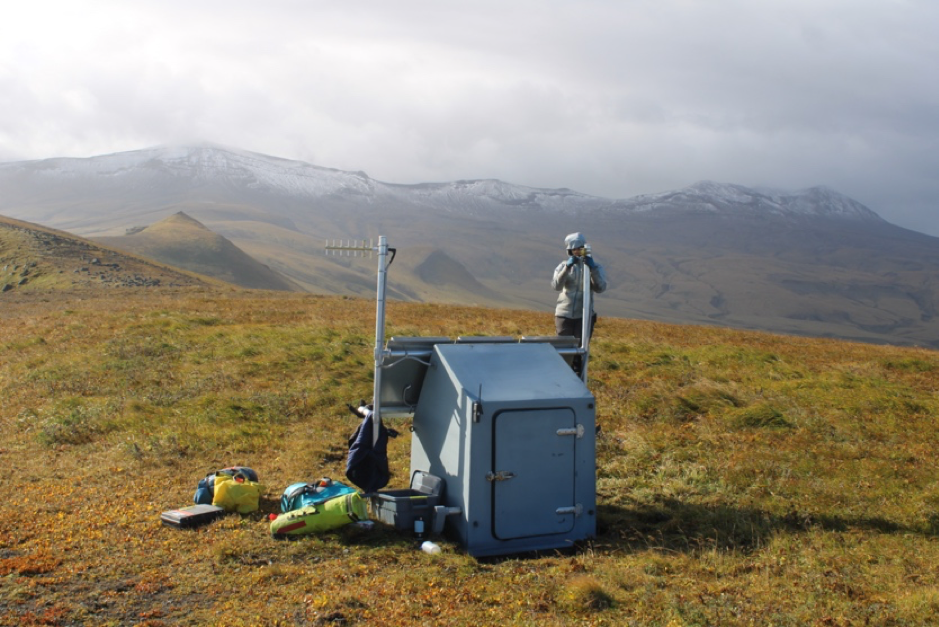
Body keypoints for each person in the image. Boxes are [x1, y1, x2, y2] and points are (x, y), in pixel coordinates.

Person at [552, 232, 607, 340]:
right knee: (563, 345)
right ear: (570, 250)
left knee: (581, 346)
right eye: (574, 249)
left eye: (580, 248)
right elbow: (556, 286)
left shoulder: (595, 267)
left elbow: (600, 288)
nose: (577, 251)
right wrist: (567, 268)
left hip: (584, 315)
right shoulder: (563, 266)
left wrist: (592, 270)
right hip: (564, 314)